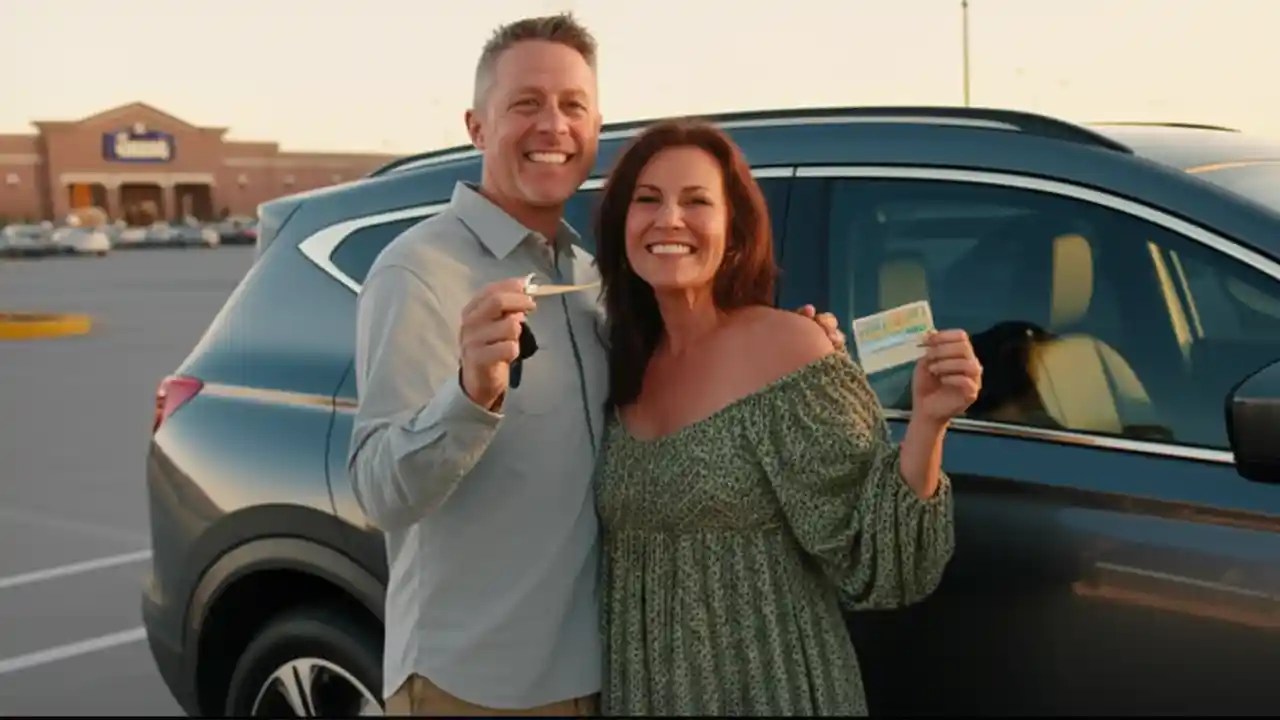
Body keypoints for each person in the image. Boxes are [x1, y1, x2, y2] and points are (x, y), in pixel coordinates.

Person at [347, 13, 844, 717]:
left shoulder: (592, 278)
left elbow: (684, 376)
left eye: (572, 105)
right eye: (525, 104)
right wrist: (470, 394)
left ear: (595, 127)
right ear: (477, 126)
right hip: (478, 688)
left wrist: (785, 348)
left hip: (608, 675)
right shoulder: (417, 272)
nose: (553, 125)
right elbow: (377, 490)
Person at [590, 119, 983, 716]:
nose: (669, 218)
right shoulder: (616, 358)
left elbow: (878, 561)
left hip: (774, 690)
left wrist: (929, 423)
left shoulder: (789, 349)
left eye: (697, 201)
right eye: (648, 200)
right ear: (622, 224)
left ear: (735, 230)